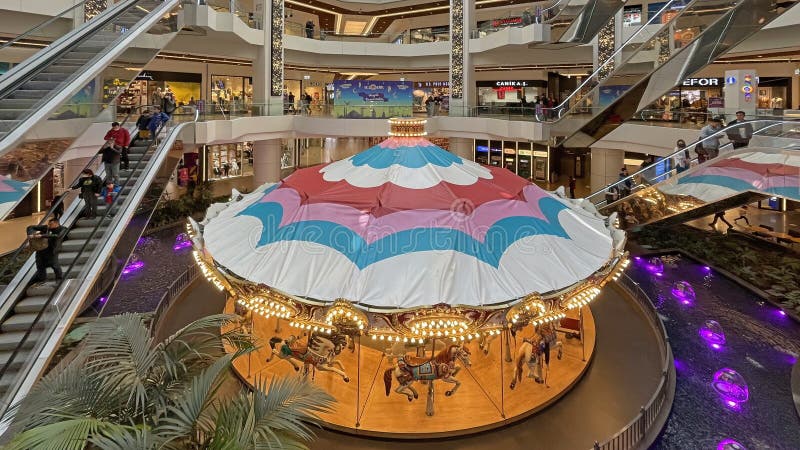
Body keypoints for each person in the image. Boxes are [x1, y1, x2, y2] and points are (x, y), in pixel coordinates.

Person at [26, 218, 67, 283]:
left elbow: (57, 236)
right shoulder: (46, 228)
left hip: (52, 249)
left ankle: (59, 278)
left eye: (51, 224)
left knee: (54, 265)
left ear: (56, 223)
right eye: (49, 224)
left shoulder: (63, 229)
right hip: (41, 248)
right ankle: (42, 279)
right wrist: (30, 234)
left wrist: (42, 236)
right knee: (39, 265)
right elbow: (31, 227)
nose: (49, 225)